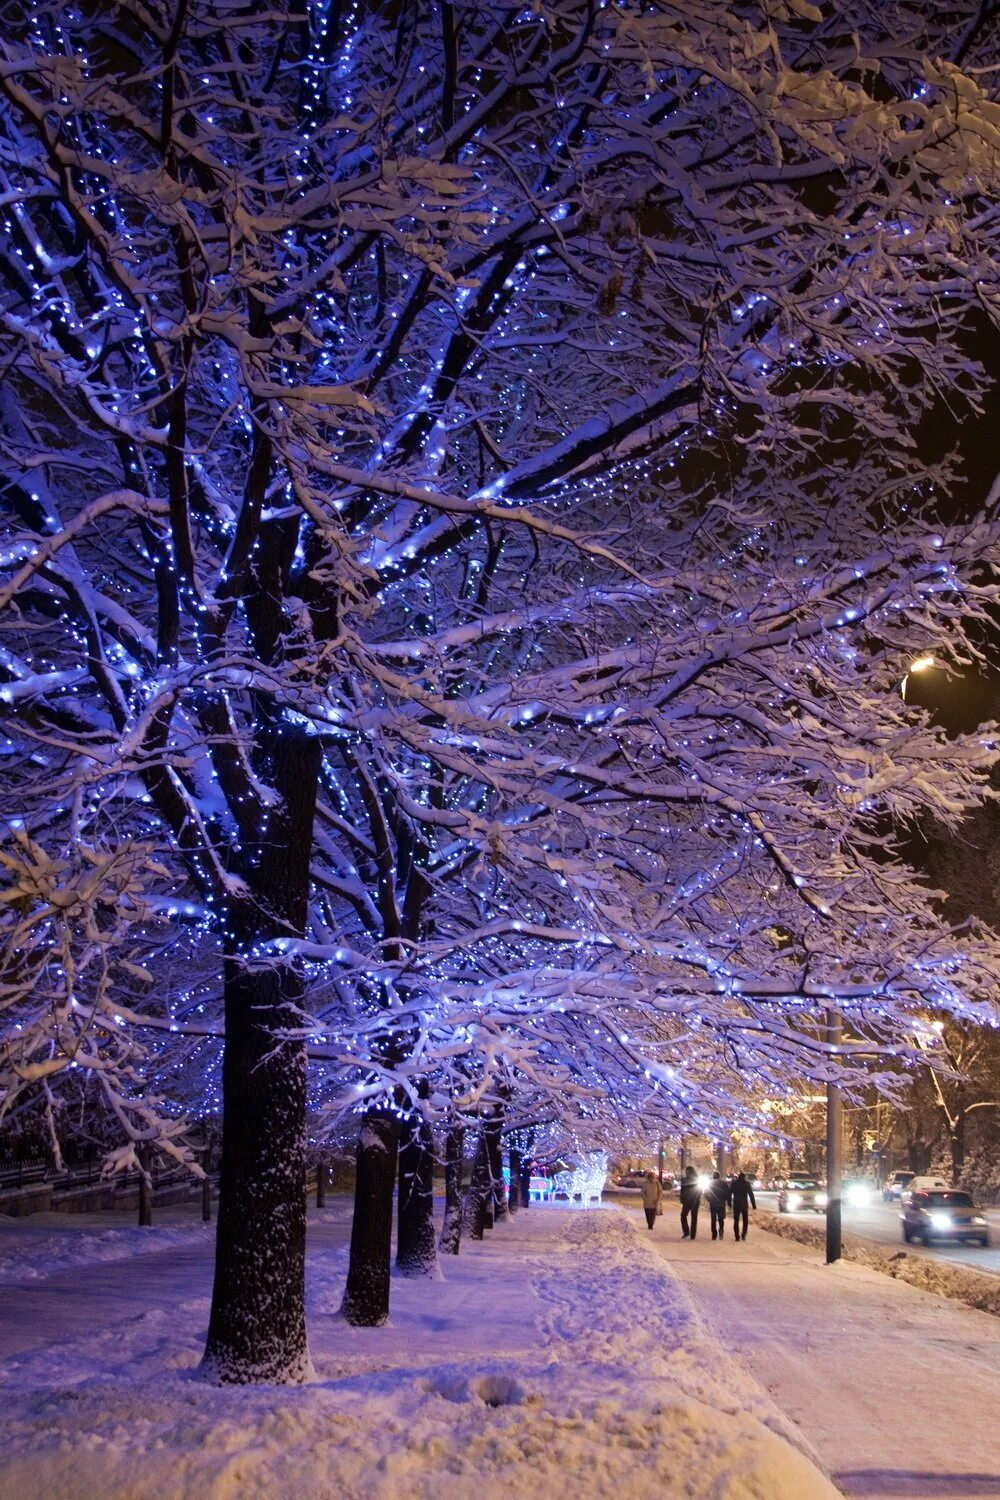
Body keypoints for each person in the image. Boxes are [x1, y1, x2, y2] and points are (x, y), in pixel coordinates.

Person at [730, 1171, 757, 1241]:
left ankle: (737, 1236)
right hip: (744, 1205)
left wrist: (729, 1203)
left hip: (736, 1204)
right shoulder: (747, 1184)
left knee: (736, 1221)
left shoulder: (734, 1184)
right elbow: (751, 1195)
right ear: (744, 1178)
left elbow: (729, 1193)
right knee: (745, 1221)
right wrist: (754, 1205)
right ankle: (743, 1235)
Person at [679, 1165, 701, 1239]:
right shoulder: (697, 1179)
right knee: (694, 1217)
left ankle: (686, 1232)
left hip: (687, 1201)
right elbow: (699, 1191)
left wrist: (682, 1199)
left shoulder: (684, 1180)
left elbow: (682, 1191)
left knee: (683, 1216)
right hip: (695, 1201)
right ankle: (692, 1234)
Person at [706, 1171, 729, 1240]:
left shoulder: (710, 1183)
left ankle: (714, 1234)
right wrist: (725, 1200)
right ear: (719, 1176)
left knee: (713, 1219)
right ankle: (721, 1230)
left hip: (713, 1204)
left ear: (713, 1176)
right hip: (721, 1203)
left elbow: (705, 1193)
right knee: (721, 1219)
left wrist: (709, 1199)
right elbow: (727, 1193)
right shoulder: (723, 1183)